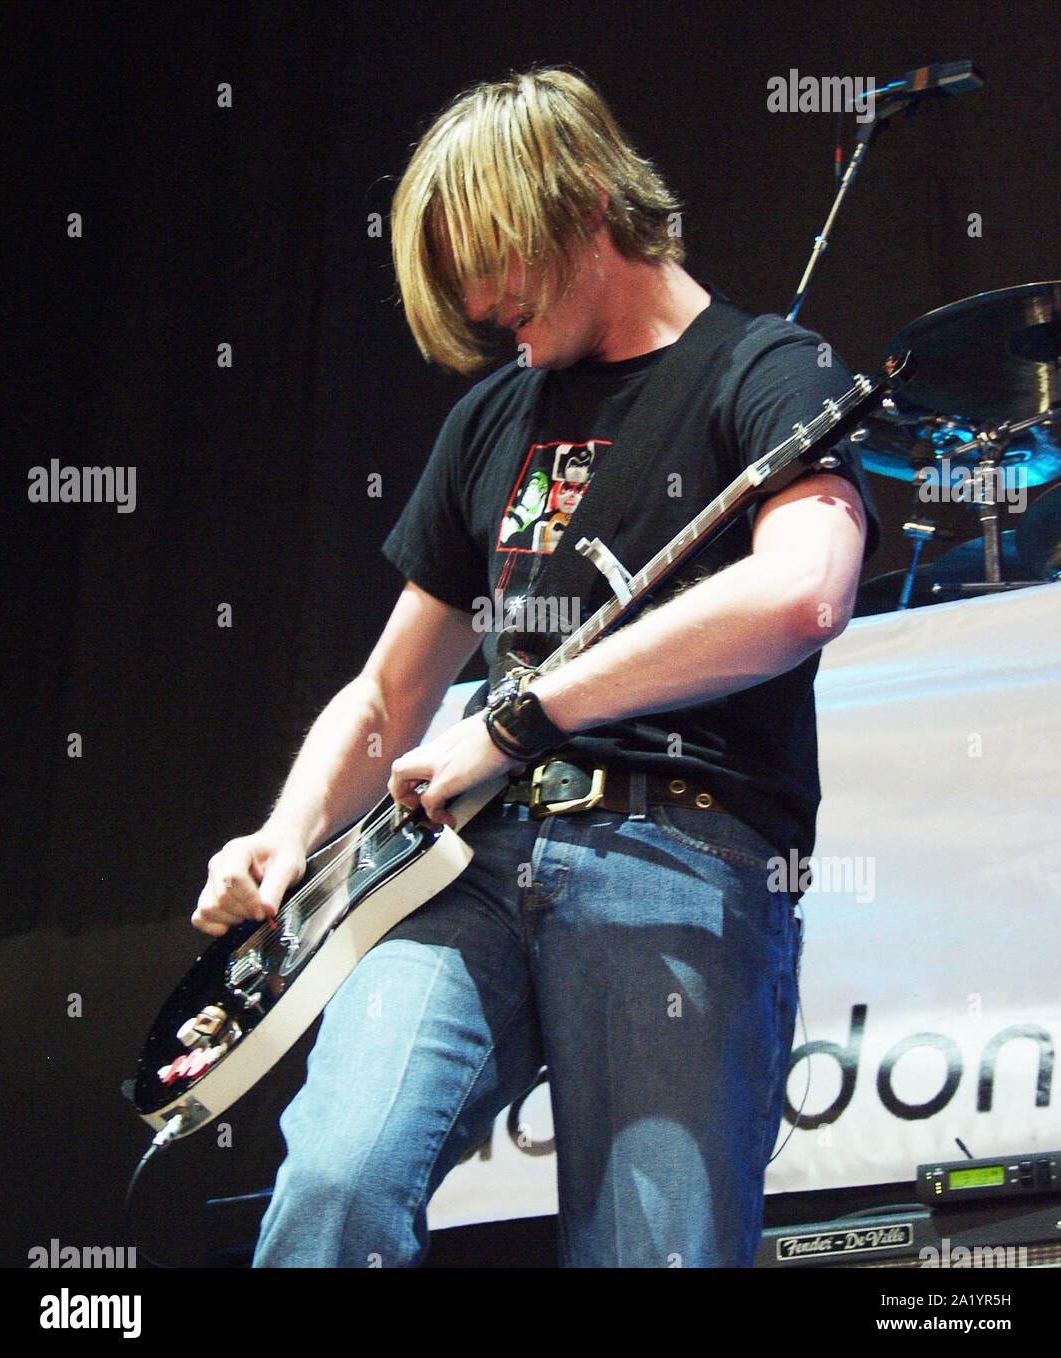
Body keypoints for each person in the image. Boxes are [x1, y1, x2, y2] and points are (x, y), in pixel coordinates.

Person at [192, 66, 879, 1267]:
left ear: (583, 206)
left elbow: (803, 590)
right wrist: (288, 832)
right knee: (336, 1186)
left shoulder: (768, 371)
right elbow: (387, 692)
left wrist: (517, 720)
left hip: (685, 855)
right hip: (465, 864)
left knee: (652, 1250)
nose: (470, 298)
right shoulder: (495, 419)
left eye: (486, 253)